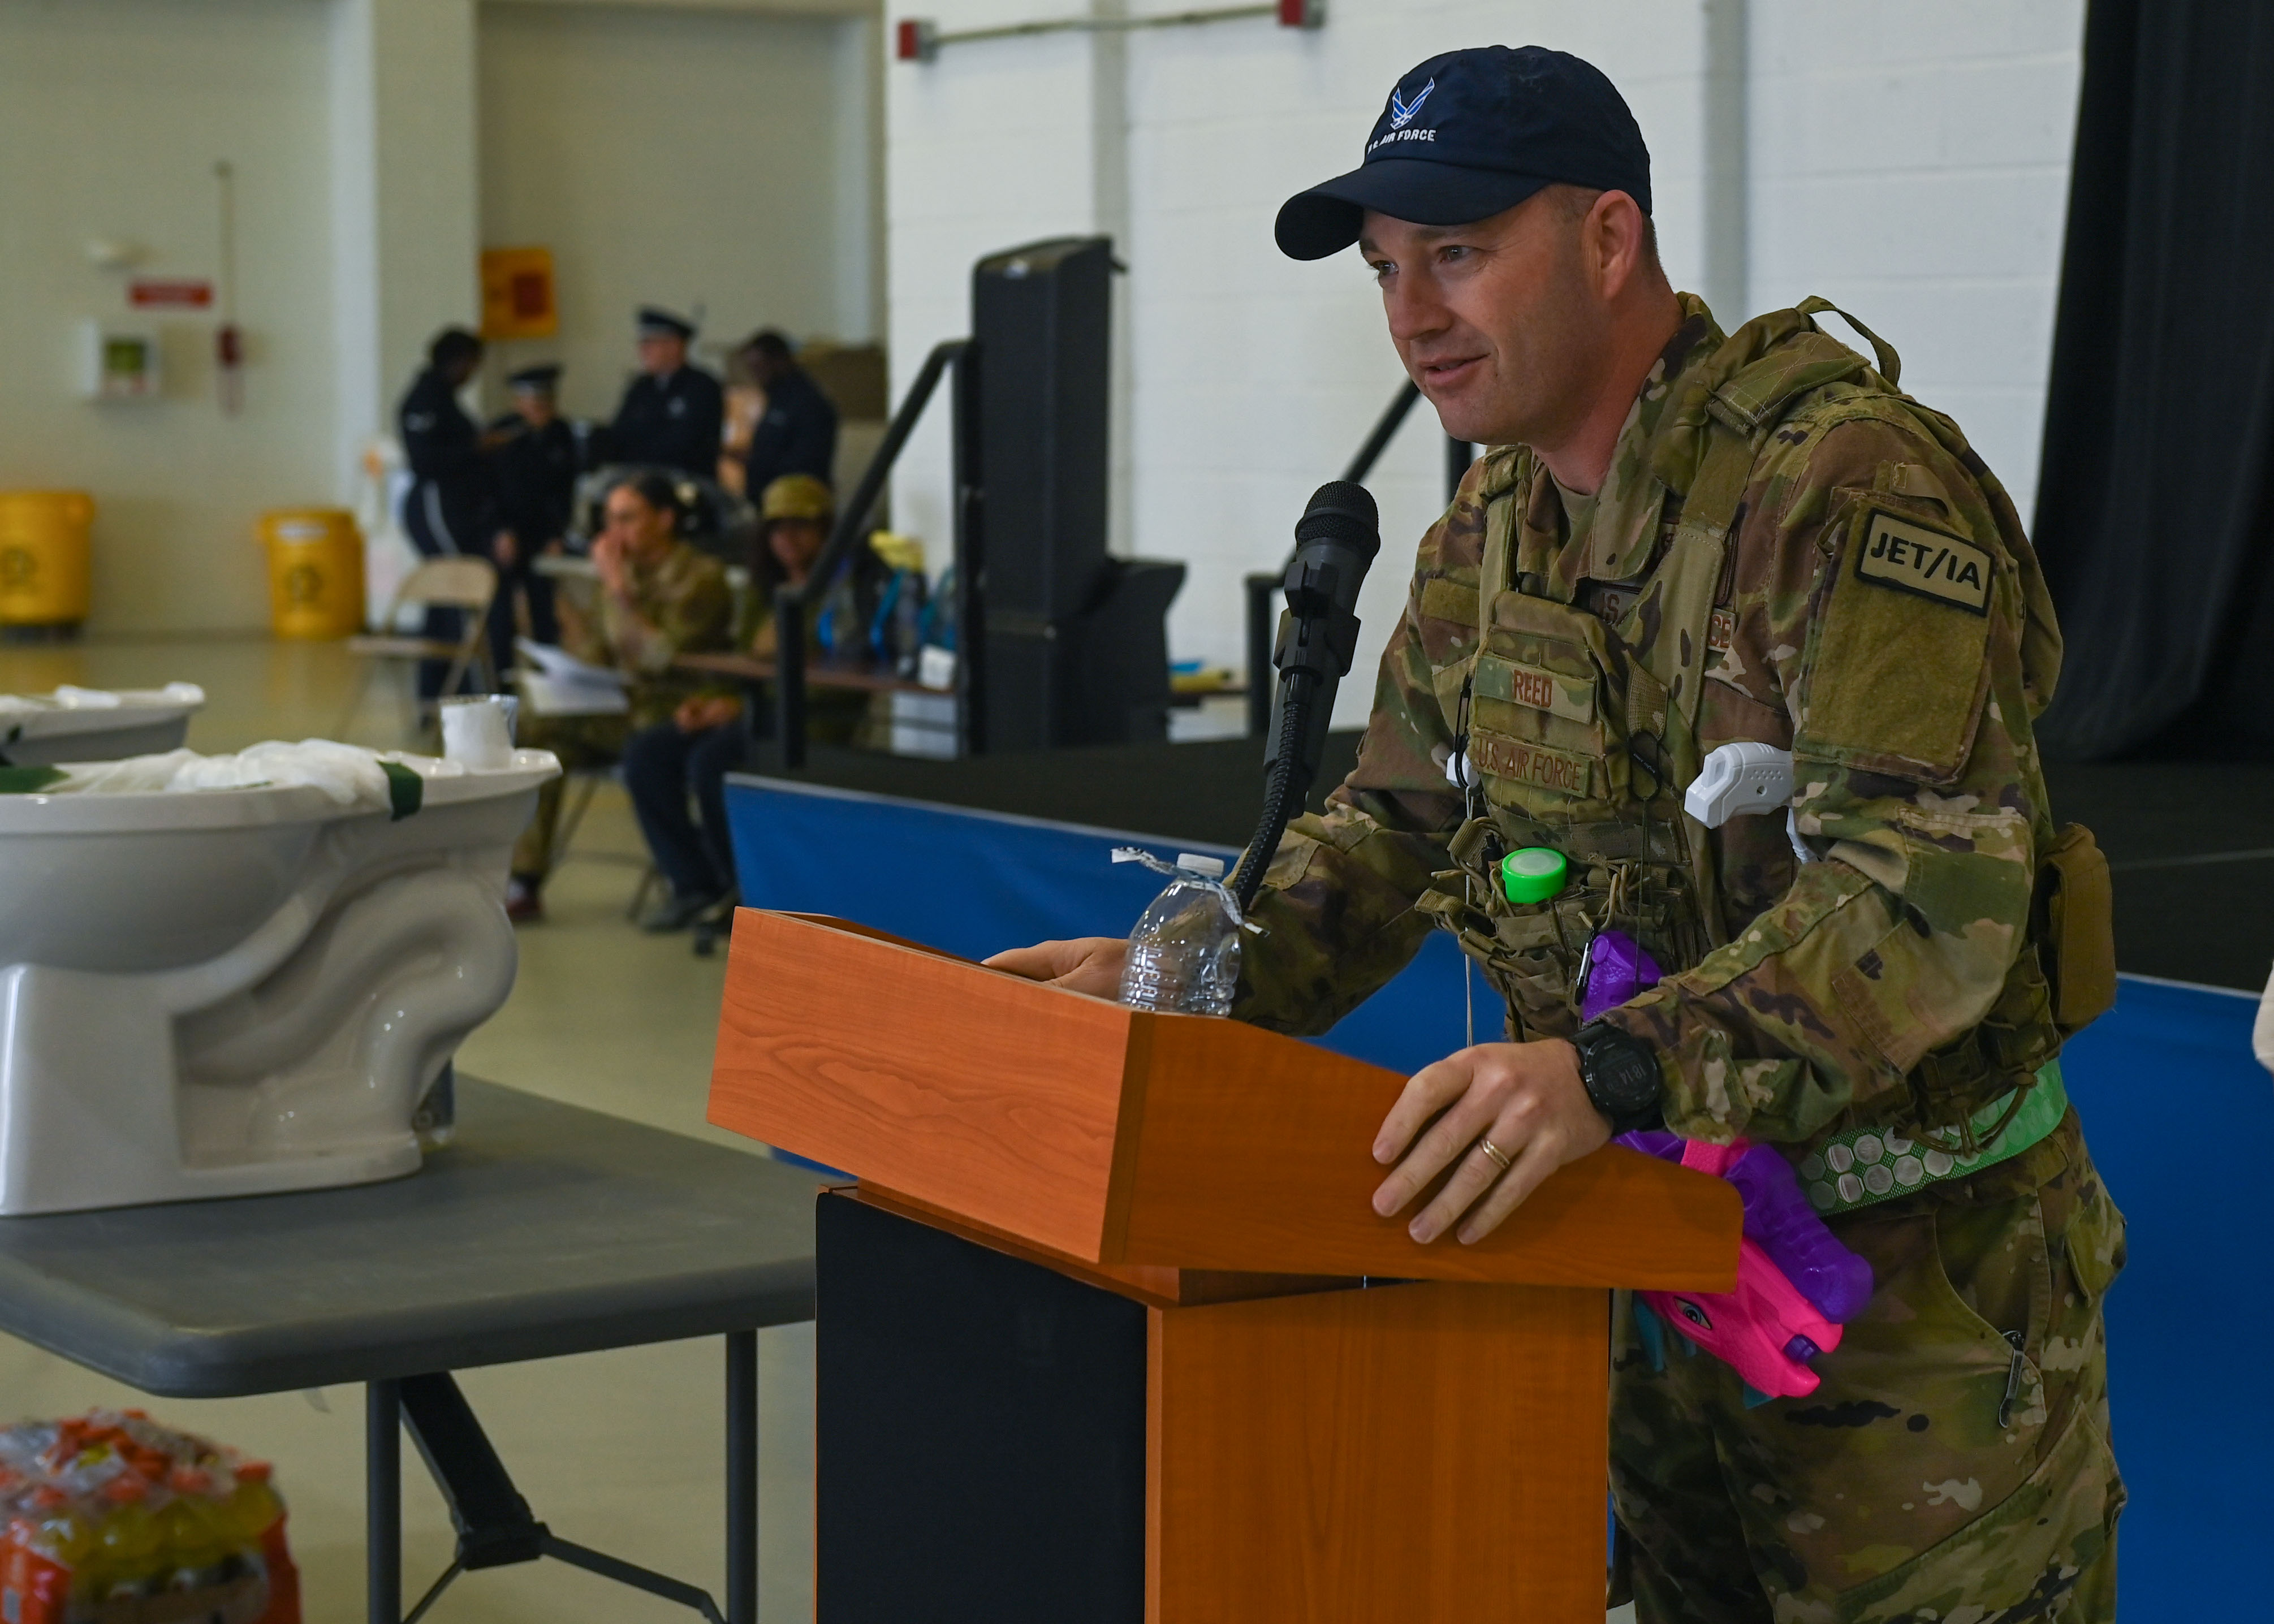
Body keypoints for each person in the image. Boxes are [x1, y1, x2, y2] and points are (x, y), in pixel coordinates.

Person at [986, 45, 2123, 1624]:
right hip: (1649, 1273)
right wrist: (1183, 986)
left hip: (1910, 1300)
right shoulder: (1489, 531)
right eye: (1385, 270)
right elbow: (1389, 826)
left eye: (1455, 253)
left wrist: (1609, 1073)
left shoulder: (1841, 486)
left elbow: (1923, 896)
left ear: (1605, 239)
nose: (1410, 315)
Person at [620, 473, 866, 933]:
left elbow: (836, 679)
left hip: (810, 719)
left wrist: (740, 706)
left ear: (824, 530)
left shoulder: (846, 592)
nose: (787, 539)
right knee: (647, 754)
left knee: (712, 763)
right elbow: (743, 662)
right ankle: (694, 885)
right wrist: (711, 700)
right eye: (776, 528)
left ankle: (743, 887)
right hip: (755, 710)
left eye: (799, 526)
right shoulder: (765, 589)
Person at [506, 471, 732, 923]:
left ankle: (694, 879)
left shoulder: (700, 578)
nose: (613, 534)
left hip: (675, 708)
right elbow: (597, 652)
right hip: (620, 706)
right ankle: (523, 880)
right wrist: (569, 652)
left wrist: (616, 591)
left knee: (636, 750)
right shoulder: (621, 573)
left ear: (665, 520)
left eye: (627, 519)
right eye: (609, 520)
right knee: (534, 734)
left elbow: (657, 658)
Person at [396, 327, 503, 698]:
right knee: (461, 590)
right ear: (457, 362)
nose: (472, 373)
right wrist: (476, 448)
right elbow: (424, 459)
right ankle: (473, 694)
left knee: (444, 600)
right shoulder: (425, 398)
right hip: (435, 506)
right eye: (472, 364)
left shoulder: (445, 398)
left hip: (453, 505)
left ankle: (435, 695)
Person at [483, 362, 577, 672]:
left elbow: (564, 491)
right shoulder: (502, 435)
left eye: (545, 403)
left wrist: (557, 535)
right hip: (507, 533)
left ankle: (549, 676)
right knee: (502, 613)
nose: (539, 410)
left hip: (542, 534)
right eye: (532, 403)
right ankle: (503, 678)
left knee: (544, 609)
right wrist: (500, 530)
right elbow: (489, 490)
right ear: (518, 403)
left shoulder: (561, 434)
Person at [605, 308, 724, 478]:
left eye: (650, 343)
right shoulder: (641, 387)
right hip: (637, 477)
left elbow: (686, 445)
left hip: (684, 480)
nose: (643, 350)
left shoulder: (702, 387)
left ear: (674, 346)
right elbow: (620, 435)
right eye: (642, 344)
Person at [738, 330, 839, 502]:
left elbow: (807, 462)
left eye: (759, 367)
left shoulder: (807, 403)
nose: (756, 376)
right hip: (770, 499)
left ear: (779, 361)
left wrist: (761, 467)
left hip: (795, 501)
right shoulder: (776, 399)